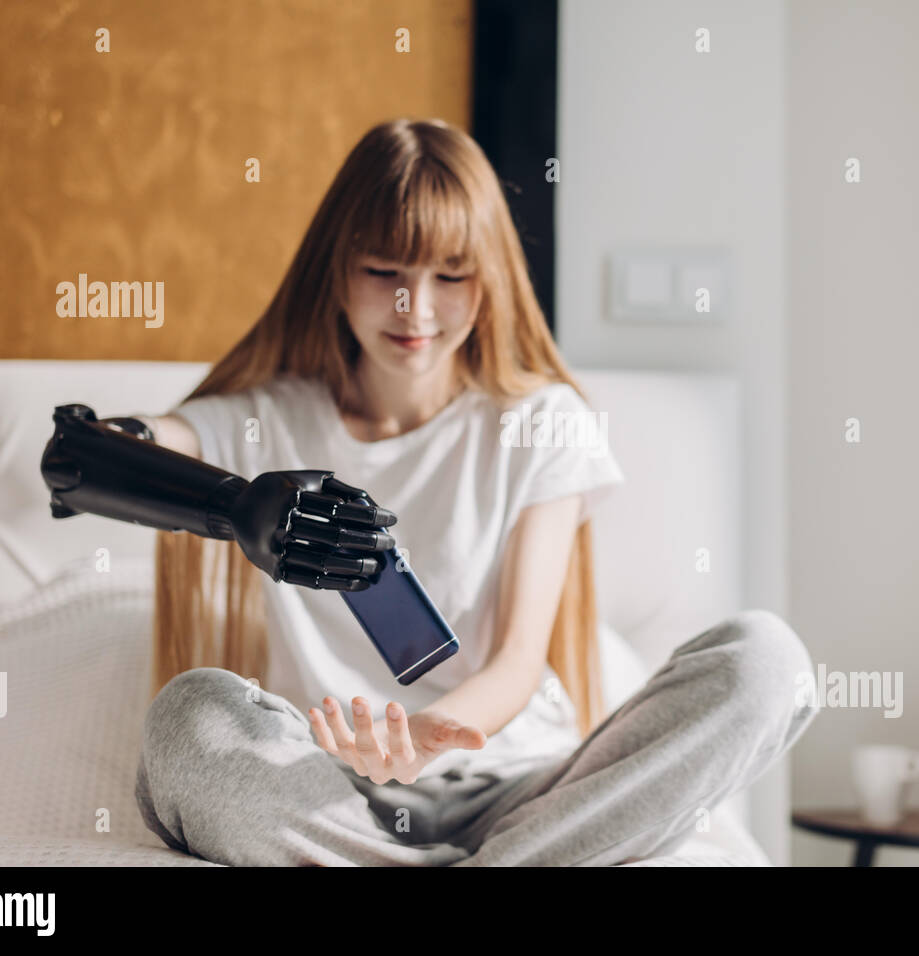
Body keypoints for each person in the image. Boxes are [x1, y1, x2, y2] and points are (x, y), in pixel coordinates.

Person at [130, 118, 819, 866]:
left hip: (523, 789)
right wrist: (103, 446)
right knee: (188, 716)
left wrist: (428, 735)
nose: (414, 310)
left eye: (450, 276)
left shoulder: (541, 424)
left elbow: (519, 662)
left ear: (488, 280)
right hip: (330, 792)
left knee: (766, 660)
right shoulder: (266, 419)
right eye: (384, 271)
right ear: (337, 270)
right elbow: (137, 448)